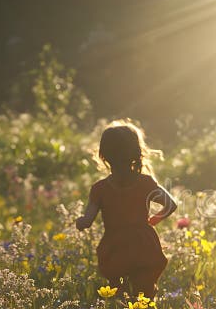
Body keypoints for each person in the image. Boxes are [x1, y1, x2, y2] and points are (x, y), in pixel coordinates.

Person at [76, 120, 177, 299]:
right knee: (145, 291)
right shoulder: (145, 183)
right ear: (136, 153)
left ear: (104, 155)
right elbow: (170, 205)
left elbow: (87, 220)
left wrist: (80, 222)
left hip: (115, 247)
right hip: (143, 244)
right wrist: (152, 220)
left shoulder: (100, 189)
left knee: (119, 292)